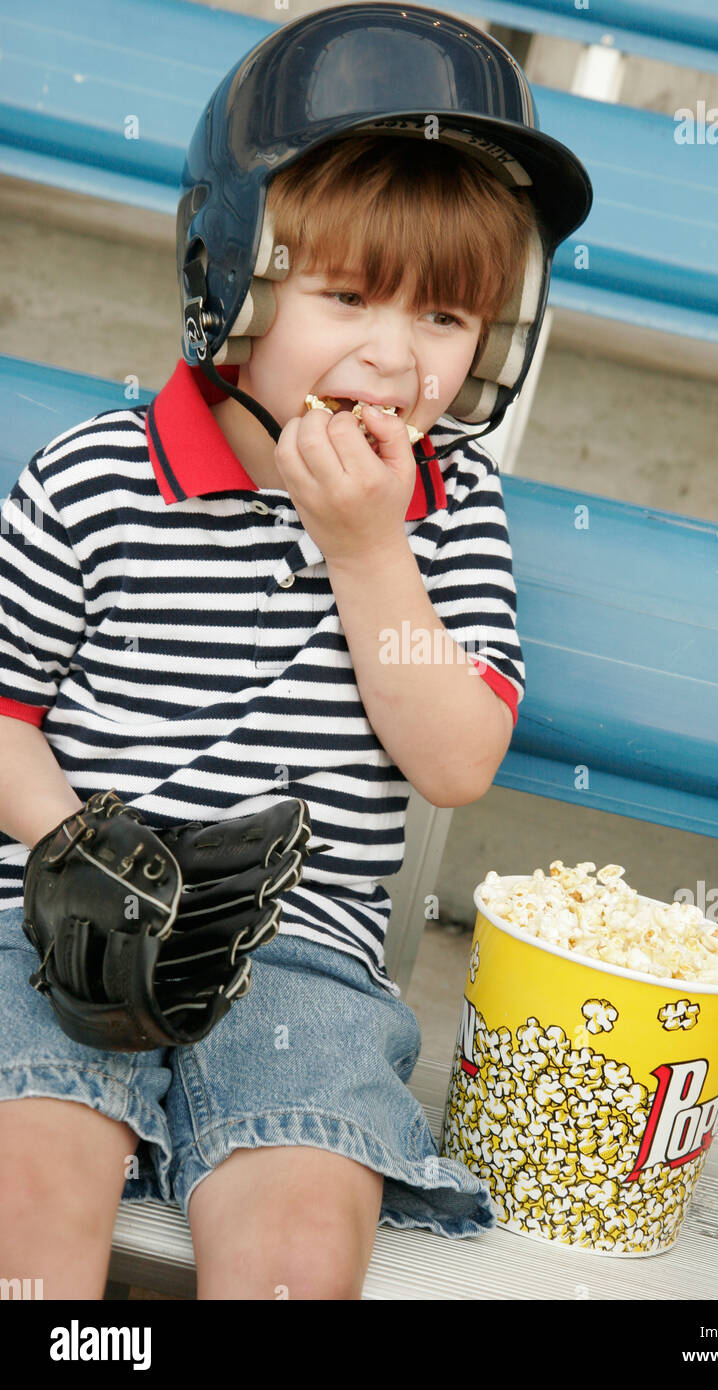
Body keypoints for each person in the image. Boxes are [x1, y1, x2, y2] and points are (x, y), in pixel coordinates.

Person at [0, 3, 591, 1300]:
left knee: (300, 1237)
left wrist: (369, 547)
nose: (394, 356)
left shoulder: (451, 511)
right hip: (55, 921)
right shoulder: (97, 478)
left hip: (301, 955)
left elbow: (454, 759)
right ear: (232, 275)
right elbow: (3, 711)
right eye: (345, 297)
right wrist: (79, 847)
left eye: (446, 317)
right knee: (29, 1182)